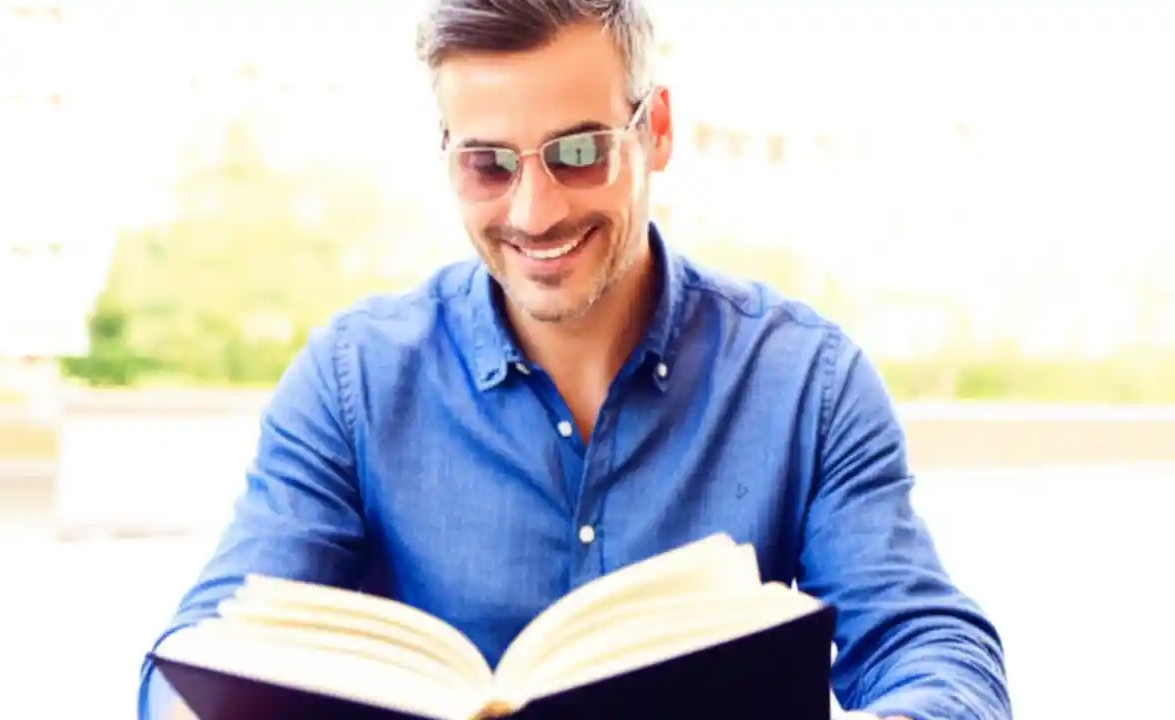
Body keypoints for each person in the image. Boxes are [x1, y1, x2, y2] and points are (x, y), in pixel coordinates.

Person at [138, 1, 1010, 718]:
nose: (535, 212)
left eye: (580, 152)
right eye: (488, 165)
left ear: (655, 130)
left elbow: (930, 647)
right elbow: (199, 657)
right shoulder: (351, 383)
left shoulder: (806, 384)